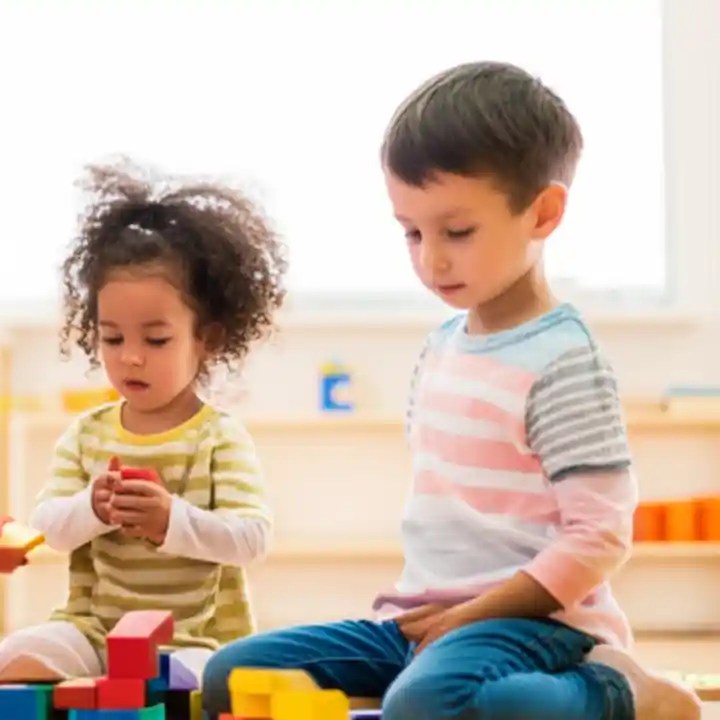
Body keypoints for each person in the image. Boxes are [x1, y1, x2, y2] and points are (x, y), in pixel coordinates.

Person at [201, 61, 702, 720]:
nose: (430, 260)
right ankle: (434, 684)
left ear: (543, 212)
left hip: (538, 627)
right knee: (230, 673)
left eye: (457, 232)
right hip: (424, 618)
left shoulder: (563, 362)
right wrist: (442, 621)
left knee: (431, 700)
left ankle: (623, 692)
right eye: (412, 231)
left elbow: (599, 536)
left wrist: (473, 615)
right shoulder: (441, 348)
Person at [0, 158, 286, 684]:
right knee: (16, 656)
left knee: (201, 683)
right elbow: (48, 530)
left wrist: (168, 520)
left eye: (155, 340)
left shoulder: (218, 437)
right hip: (94, 633)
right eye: (112, 338)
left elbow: (251, 539)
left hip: (190, 639)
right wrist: (94, 507)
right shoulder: (87, 434)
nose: (130, 357)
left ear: (208, 338)